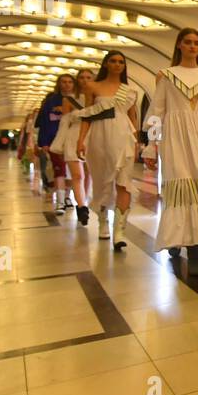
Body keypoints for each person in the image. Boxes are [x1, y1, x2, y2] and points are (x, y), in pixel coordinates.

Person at [143, 28, 198, 275]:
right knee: (178, 189)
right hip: (174, 139)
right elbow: (156, 114)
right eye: (188, 42)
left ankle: (195, 252)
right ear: (179, 46)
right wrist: (151, 147)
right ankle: (176, 238)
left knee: (197, 189)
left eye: (197, 42)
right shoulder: (166, 75)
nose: (193, 46)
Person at [76, 51, 140, 249]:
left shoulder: (129, 90)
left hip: (123, 136)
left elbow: (132, 117)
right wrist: (81, 140)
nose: (117, 64)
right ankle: (103, 221)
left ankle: (119, 231)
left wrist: (137, 142)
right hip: (99, 137)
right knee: (102, 181)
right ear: (105, 64)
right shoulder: (92, 87)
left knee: (123, 183)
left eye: (121, 61)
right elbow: (87, 115)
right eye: (113, 61)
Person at [53, 68, 94, 224]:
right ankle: (81, 207)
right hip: (73, 137)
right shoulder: (69, 100)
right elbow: (64, 124)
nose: (85, 80)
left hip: (92, 136)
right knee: (77, 175)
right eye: (82, 77)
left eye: (88, 77)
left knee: (89, 174)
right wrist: (58, 145)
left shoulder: (97, 98)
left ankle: (85, 200)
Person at [37, 76, 77, 214]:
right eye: (64, 82)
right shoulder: (51, 101)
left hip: (73, 139)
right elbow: (44, 122)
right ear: (59, 84)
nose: (67, 85)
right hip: (55, 139)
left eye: (70, 82)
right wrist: (44, 142)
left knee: (72, 172)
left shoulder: (79, 99)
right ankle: (60, 202)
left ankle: (67, 198)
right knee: (59, 169)